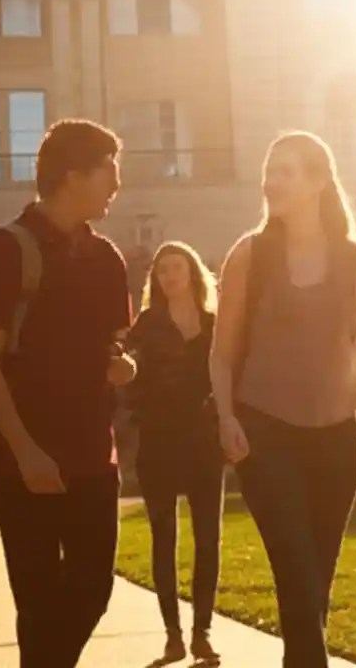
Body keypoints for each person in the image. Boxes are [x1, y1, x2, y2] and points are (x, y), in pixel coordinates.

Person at [209, 131, 356, 668]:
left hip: (336, 441)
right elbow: (222, 353)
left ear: (318, 182)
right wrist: (225, 418)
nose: (271, 181)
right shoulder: (251, 255)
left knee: (315, 585)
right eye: (269, 170)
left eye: (286, 171)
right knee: (295, 569)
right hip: (266, 433)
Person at [0, 119, 136, 668]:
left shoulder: (107, 259)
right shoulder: (2, 250)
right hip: (22, 461)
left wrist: (120, 367)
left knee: (93, 592)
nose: (116, 184)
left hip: (91, 456)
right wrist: (24, 450)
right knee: (38, 605)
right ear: (72, 176)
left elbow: (110, 348)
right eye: (109, 171)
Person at [125, 242, 225, 663]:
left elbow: (229, 375)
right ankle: (172, 634)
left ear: (193, 272)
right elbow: (126, 367)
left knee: (208, 539)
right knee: (163, 536)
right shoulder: (147, 324)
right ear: (157, 279)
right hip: (159, 440)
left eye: (177, 267)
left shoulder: (214, 323)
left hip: (204, 441)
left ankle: (202, 632)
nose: (169, 275)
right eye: (162, 270)